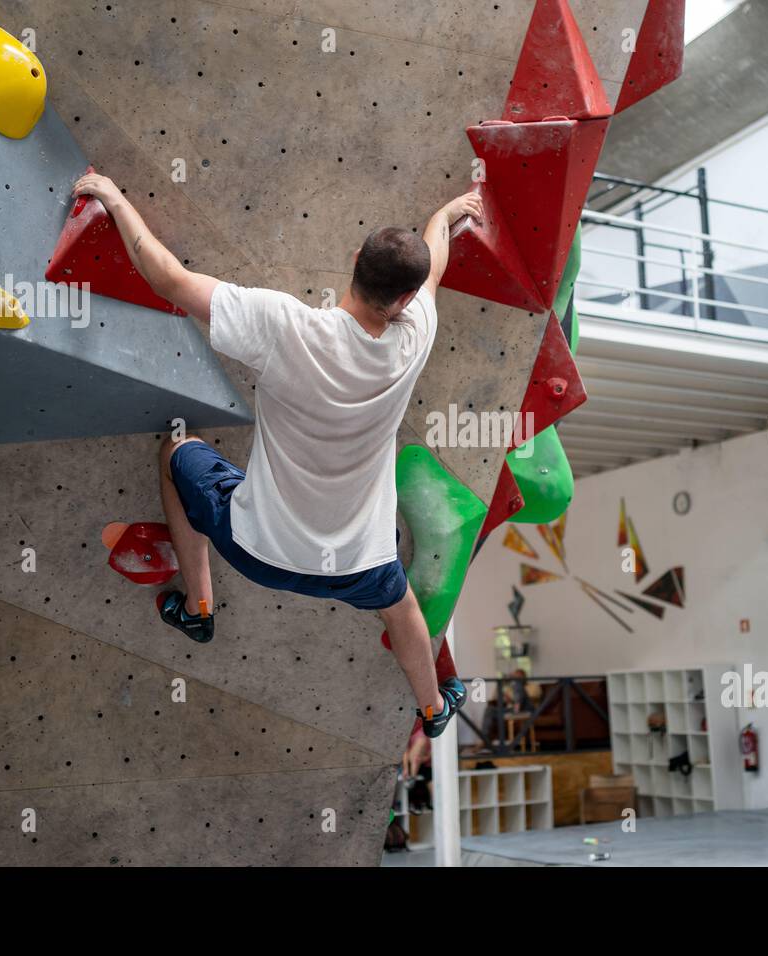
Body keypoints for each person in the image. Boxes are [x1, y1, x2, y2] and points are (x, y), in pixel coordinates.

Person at [71, 171, 482, 738]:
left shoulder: (284, 327)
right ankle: (435, 709)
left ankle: (198, 607)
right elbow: (433, 263)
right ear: (406, 300)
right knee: (402, 606)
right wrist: (448, 216)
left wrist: (115, 199)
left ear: (354, 258)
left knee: (176, 450)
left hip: (259, 550)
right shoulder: (415, 337)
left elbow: (170, 280)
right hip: (359, 566)